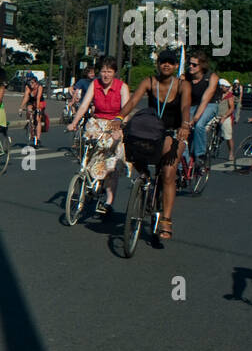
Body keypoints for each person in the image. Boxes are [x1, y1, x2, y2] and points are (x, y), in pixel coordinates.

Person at [118, 49, 193, 240]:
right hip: (149, 132)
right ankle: (144, 177)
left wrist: (185, 125)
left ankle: (166, 220)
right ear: (158, 64)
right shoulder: (149, 82)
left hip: (173, 132)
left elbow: (185, 107)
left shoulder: (183, 85)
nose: (166, 65)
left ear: (176, 66)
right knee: (131, 146)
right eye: (162, 62)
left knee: (168, 173)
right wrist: (118, 117)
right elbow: (134, 101)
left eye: (170, 62)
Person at [68, 55, 129, 213]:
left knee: (111, 165)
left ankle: (108, 202)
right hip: (97, 122)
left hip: (115, 124)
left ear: (114, 72)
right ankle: (88, 176)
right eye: (103, 71)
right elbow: (84, 106)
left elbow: (126, 111)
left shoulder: (122, 87)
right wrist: (74, 123)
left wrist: (120, 129)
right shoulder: (95, 84)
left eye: (109, 71)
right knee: (86, 143)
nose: (105, 75)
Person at [180, 50, 219, 180]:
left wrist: (195, 118)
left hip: (209, 104)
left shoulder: (211, 77)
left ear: (202, 66)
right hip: (192, 105)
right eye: (189, 64)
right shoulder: (186, 77)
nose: (190, 67)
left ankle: (200, 155)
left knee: (199, 125)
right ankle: (184, 166)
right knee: (182, 130)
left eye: (194, 65)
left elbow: (205, 100)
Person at [19, 74, 45, 147]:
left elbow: (38, 98)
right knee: (28, 110)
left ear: (36, 83)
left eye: (33, 83)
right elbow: (26, 97)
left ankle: (38, 138)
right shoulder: (28, 87)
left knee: (37, 119)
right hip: (31, 101)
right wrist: (21, 107)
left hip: (39, 101)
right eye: (30, 82)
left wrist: (37, 109)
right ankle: (29, 122)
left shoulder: (39, 87)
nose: (31, 84)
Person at [216, 79, 236, 164]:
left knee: (228, 135)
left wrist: (225, 116)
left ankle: (231, 152)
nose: (226, 88)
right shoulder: (216, 94)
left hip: (226, 116)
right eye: (225, 87)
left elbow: (232, 108)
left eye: (227, 87)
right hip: (216, 115)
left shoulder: (229, 95)